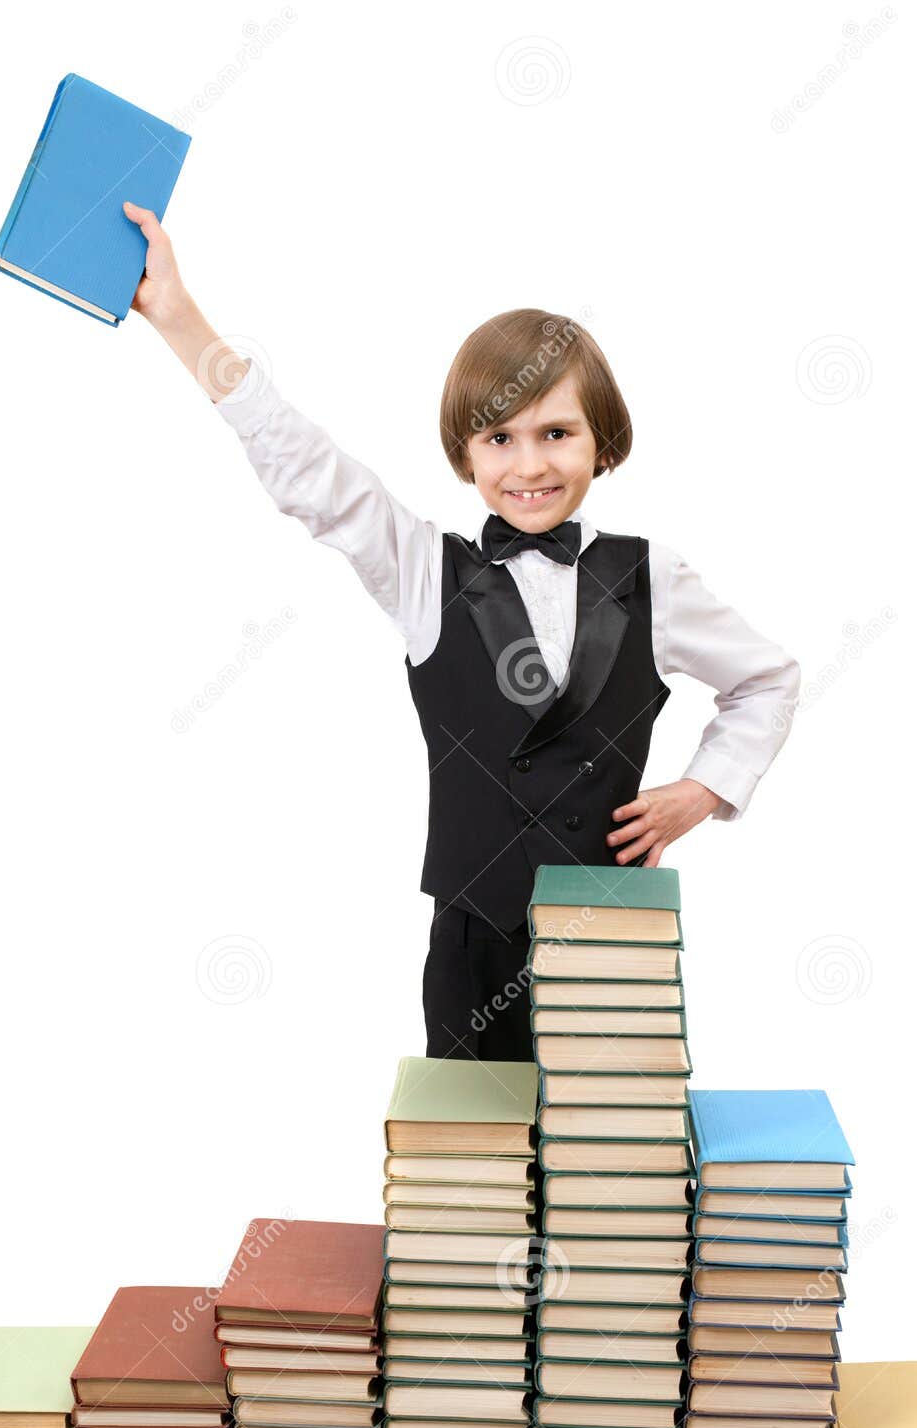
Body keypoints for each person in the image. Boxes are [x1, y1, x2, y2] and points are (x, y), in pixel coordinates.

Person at [122, 201, 800, 1063]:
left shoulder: (652, 576)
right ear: (466, 453)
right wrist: (181, 320)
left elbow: (768, 679)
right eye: (499, 438)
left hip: (609, 935)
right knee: (472, 1166)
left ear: (601, 444)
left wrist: (703, 788)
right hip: (471, 943)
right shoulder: (420, 570)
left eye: (557, 434)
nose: (528, 465)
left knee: (607, 1157)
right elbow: (306, 467)